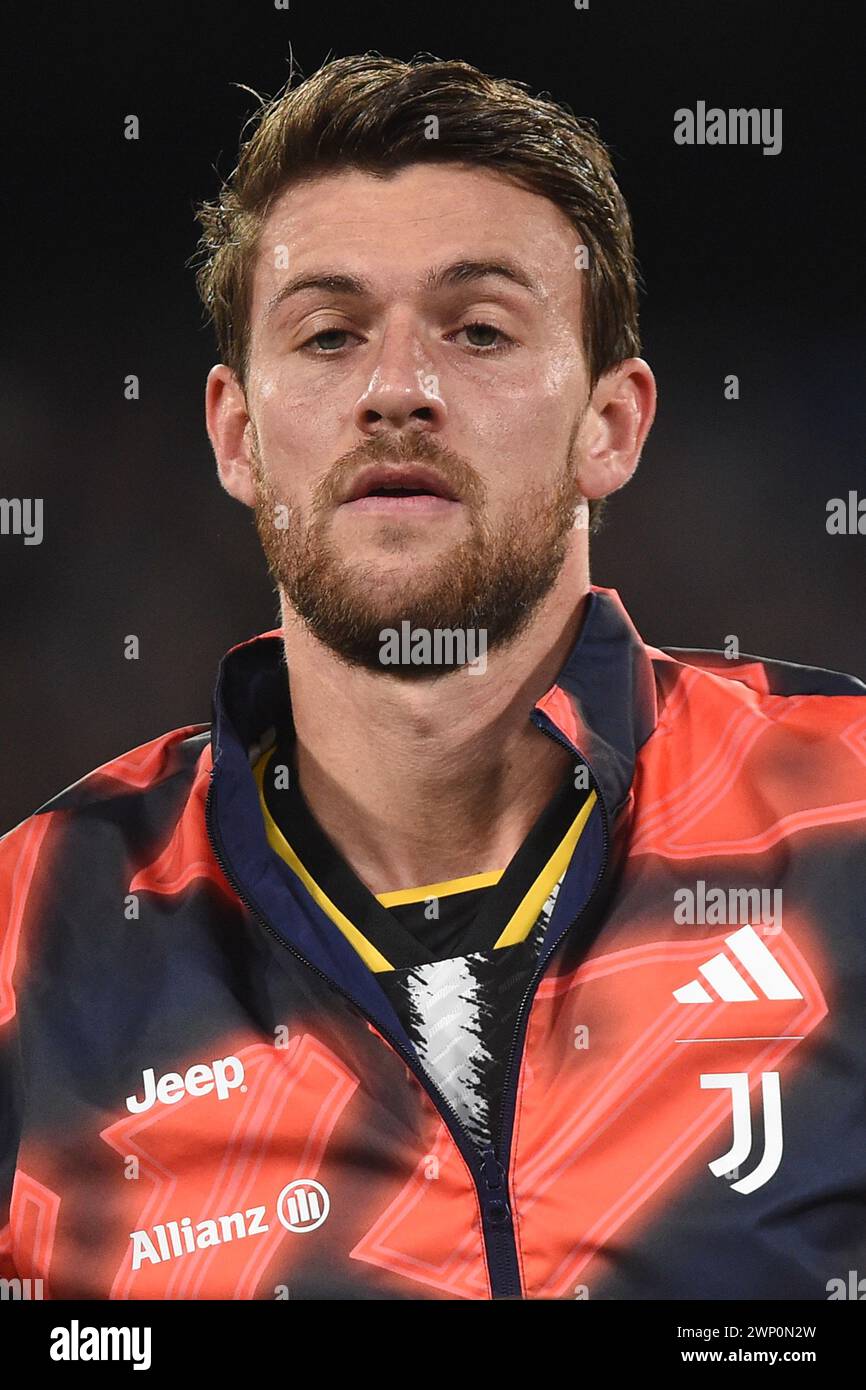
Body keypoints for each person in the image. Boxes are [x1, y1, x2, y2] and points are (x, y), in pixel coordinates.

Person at [1, 52, 864, 1302]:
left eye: (477, 331)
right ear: (237, 433)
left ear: (609, 425)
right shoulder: (31, 942)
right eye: (330, 333)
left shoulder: (842, 812)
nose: (397, 392)